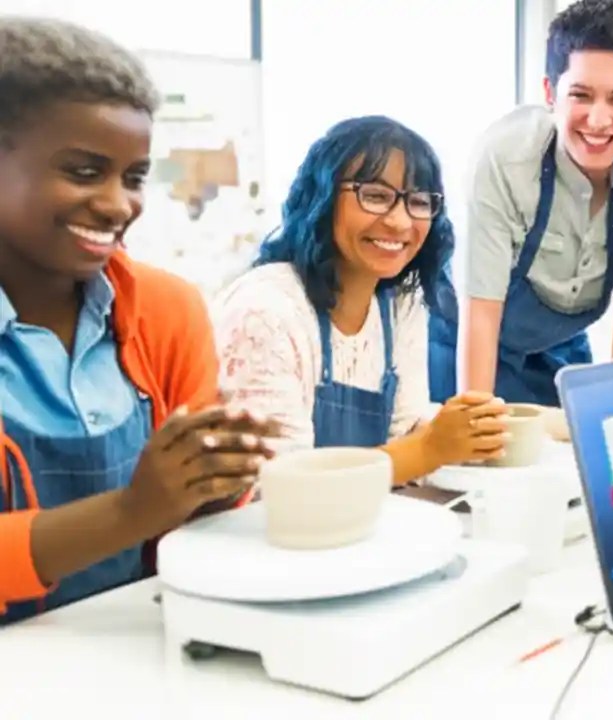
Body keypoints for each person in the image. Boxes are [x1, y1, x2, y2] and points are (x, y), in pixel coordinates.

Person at [0, 17, 278, 624]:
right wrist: (131, 511)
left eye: (133, 177)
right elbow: (140, 513)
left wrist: (216, 485)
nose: (117, 203)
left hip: (133, 653)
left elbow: (196, 538)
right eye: (82, 171)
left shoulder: (165, 311)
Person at [213, 117, 509, 487]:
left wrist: (476, 430)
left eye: (418, 202)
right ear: (321, 196)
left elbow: (404, 434)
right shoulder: (265, 312)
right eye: (375, 196)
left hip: (360, 528)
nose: (400, 222)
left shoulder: (400, 303)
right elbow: (280, 487)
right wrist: (431, 447)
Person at [427, 0, 613, 407]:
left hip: (558, 351)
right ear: (551, 92)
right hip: (460, 339)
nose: (599, 121)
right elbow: (481, 311)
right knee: (474, 460)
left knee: (579, 452)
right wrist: (474, 429)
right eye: (581, 95)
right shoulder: (504, 158)